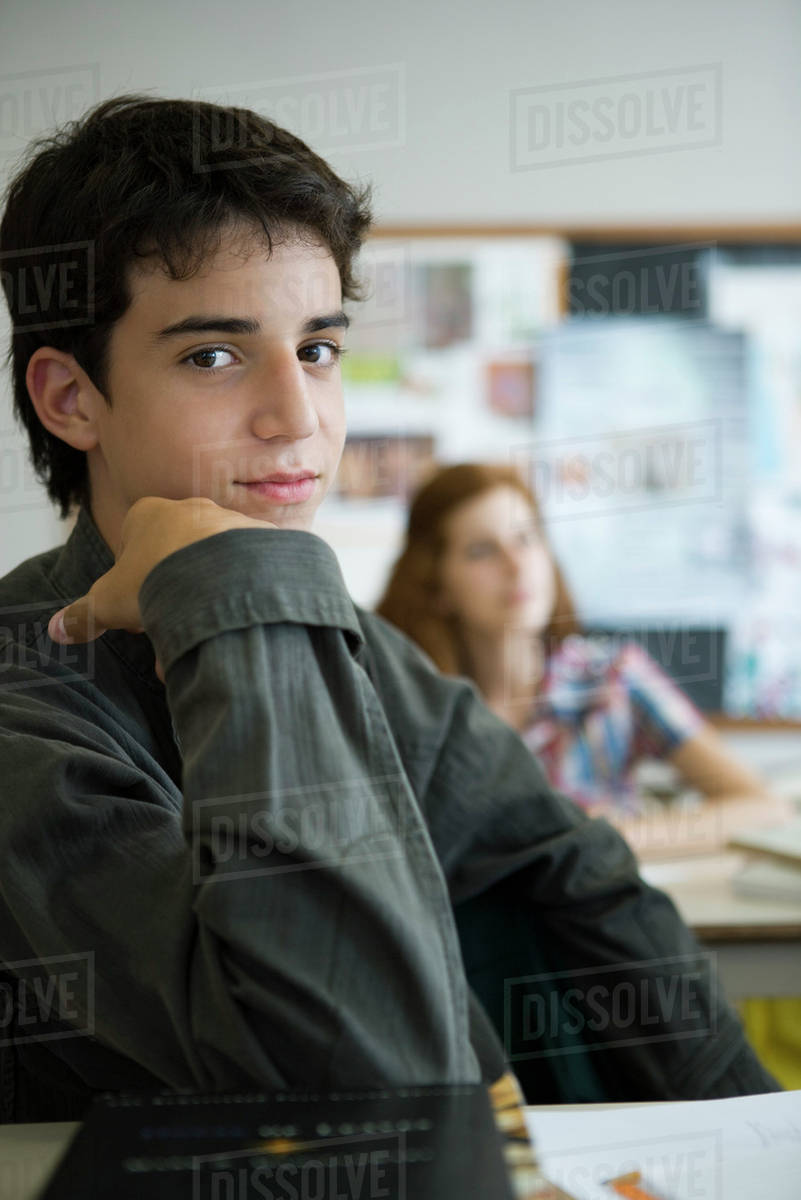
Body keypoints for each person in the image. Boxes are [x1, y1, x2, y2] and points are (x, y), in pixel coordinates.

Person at [0, 96, 777, 1124]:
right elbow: (353, 1079)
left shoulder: (355, 646)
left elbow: (570, 864)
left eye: (318, 348)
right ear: (70, 400)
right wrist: (233, 591)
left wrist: (752, 1131)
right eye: (213, 355)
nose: (299, 418)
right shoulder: (25, 702)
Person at [377, 463, 790, 853]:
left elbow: (762, 807)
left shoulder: (613, 678)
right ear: (436, 585)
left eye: (527, 538)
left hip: (593, 918)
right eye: (483, 550)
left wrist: (610, 839)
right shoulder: (408, 707)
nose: (517, 565)